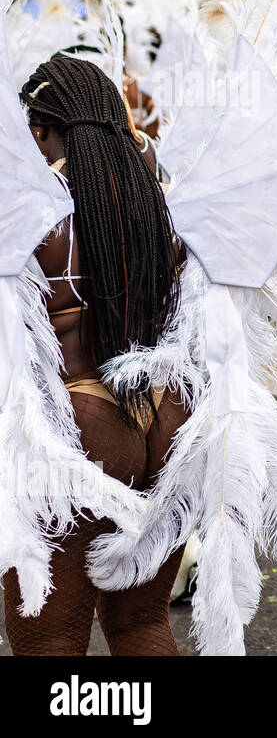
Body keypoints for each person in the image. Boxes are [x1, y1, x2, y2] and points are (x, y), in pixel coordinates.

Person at [3, 55, 186, 655]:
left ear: (40, 131)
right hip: (169, 420)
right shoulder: (157, 201)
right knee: (141, 625)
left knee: (50, 643)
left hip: (79, 433)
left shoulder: (34, 214)